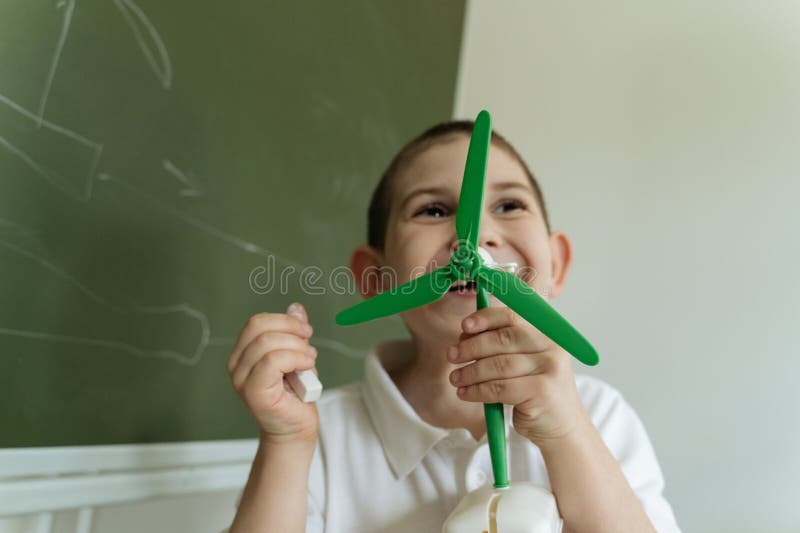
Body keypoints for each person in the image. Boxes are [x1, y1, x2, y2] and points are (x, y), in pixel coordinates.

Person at [226, 120, 681, 532]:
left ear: (556, 264)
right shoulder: (324, 433)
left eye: (508, 205)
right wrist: (286, 443)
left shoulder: (600, 417)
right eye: (434, 211)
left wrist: (566, 434)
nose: (475, 237)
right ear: (375, 277)